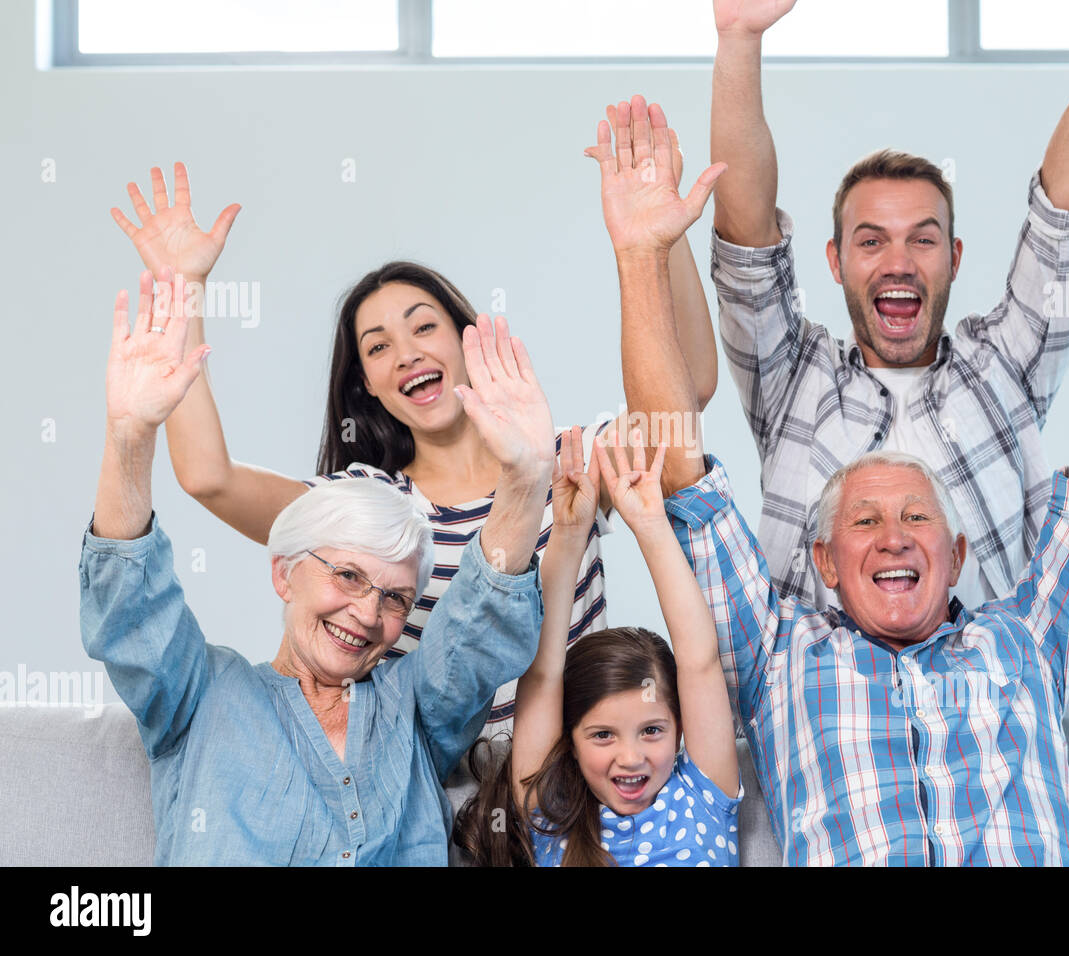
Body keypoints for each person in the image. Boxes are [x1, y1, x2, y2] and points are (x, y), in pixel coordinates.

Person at [656, 80, 1069, 864]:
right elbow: (681, 463)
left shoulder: (1024, 644)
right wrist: (644, 255)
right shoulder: (784, 658)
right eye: (865, 521)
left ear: (961, 556)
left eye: (917, 518)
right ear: (824, 562)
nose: (894, 540)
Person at [107, 157, 717, 735]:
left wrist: (656, 244)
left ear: (465, 336)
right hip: (430, 790)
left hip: (567, 789)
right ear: (368, 387)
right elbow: (208, 476)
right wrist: (184, 286)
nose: (406, 353)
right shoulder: (366, 505)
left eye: (424, 326)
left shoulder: (563, 465)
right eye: (377, 347)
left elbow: (684, 402)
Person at [705, 0, 1069, 721]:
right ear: (835, 260)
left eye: (922, 240)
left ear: (953, 259)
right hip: (830, 738)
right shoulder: (793, 380)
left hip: (1015, 733)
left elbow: (1064, 215)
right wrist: (738, 40)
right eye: (871, 240)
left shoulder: (1002, 365)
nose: (898, 262)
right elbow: (745, 246)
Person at [80, 271, 556, 865]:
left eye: (395, 599)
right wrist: (129, 435)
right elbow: (130, 608)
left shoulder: (413, 707)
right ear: (285, 573)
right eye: (349, 576)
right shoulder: (203, 694)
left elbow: (479, 627)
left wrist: (527, 476)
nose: (367, 612)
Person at [454, 428, 741, 866]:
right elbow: (544, 673)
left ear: (681, 729)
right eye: (603, 735)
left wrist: (650, 525)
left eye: (652, 730)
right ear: (567, 740)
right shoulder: (551, 812)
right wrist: (569, 533)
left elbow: (700, 661)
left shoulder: (702, 794)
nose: (631, 758)